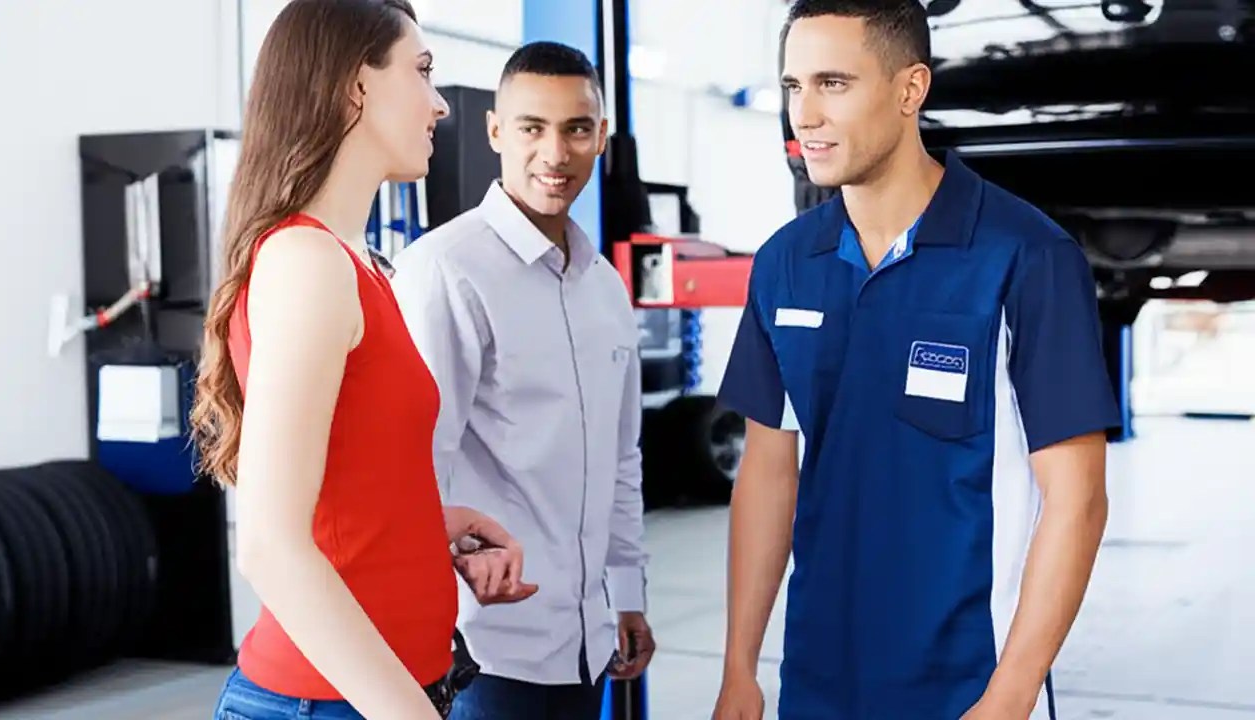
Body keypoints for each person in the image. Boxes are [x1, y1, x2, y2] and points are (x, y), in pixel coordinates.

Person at [711, 1, 1121, 719]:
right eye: (791, 86)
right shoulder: (783, 264)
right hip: (817, 684)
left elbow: (1078, 499)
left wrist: (1012, 692)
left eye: (832, 84)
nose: (803, 113)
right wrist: (740, 666)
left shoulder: (1026, 256)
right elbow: (768, 473)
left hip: (971, 687)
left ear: (910, 90)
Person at [188, 2, 537, 718]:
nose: (440, 104)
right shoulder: (307, 262)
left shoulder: (360, 264)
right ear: (356, 85)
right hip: (331, 705)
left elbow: (339, 493)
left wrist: (427, 525)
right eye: (423, 70)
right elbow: (270, 546)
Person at [390, 41, 655, 720]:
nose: (555, 154)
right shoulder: (446, 271)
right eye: (533, 128)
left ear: (601, 136)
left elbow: (621, 460)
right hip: (486, 652)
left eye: (576, 129)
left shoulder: (604, 288)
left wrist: (626, 593)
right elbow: (418, 467)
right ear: (496, 131)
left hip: (587, 643)